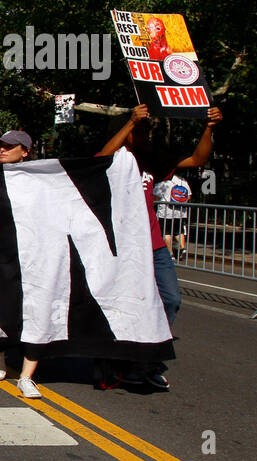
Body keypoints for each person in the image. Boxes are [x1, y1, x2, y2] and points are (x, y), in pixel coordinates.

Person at [94, 104, 222, 390]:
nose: (144, 134)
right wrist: (131, 122)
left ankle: (144, 354)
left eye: (146, 129)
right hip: (122, 249)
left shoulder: (152, 159)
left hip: (153, 246)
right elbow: (102, 157)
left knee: (170, 299)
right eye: (139, 130)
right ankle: (123, 358)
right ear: (125, 132)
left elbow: (197, 158)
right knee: (123, 305)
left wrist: (209, 128)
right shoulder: (115, 159)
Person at [0, 130, 42, 398]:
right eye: (0, 146)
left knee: (38, 308)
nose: (2, 150)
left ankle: (27, 377)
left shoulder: (41, 177)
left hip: (34, 251)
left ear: (25, 151)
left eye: (9, 146)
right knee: (3, 303)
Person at [154, 172, 191, 262]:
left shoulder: (163, 183)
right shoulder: (183, 182)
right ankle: (183, 249)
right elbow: (189, 196)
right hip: (180, 212)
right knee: (179, 231)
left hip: (166, 212)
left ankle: (171, 254)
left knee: (167, 233)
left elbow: (155, 197)